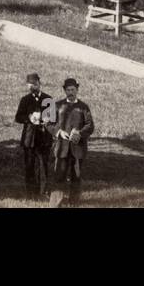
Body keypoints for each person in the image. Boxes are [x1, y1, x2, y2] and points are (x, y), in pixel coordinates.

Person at [49, 77, 94, 205]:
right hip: (62, 148)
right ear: (64, 90)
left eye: (73, 89)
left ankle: (74, 203)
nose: (71, 92)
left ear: (77, 90)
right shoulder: (57, 105)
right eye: (68, 90)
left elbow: (90, 126)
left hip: (78, 148)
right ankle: (55, 204)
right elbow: (48, 124)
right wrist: (59, 132)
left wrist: (80, 133)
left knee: (76, 177)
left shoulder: (83, 107)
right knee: (59, 176)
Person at [13, 72, 53, 198]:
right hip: (29, 139)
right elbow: (18, 117)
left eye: (35, 85)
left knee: (43, 166)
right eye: (30, 86)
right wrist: (29, 118)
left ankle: (43, 192)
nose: (33, 88)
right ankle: (31, 193)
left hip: (43, 138)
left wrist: (45, 120)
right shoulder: (25, 100)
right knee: (29, 166)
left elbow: (53, 119)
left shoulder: (48, 99)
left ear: (39, 84)